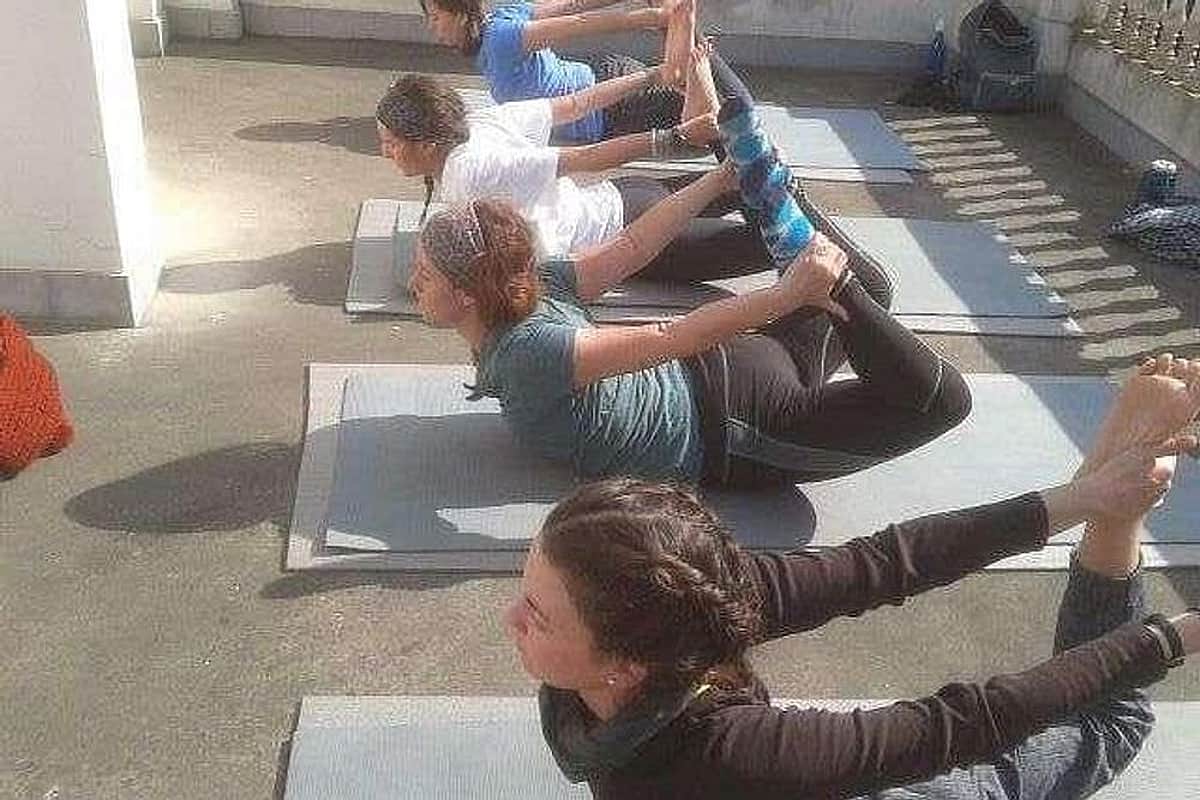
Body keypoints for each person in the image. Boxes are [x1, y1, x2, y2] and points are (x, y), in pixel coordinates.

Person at [505, 354, 1200, 799]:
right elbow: (958, 725)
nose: (511, 619)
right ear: (623, 668)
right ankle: (1118, 516)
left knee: (1104, 711)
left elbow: (884, 563)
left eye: (533, 606)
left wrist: (1078, 498)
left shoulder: (683, 606)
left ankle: (1111, 505)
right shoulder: (733, 756)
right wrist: (1177, 636)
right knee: (1113, 718)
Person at [375, 36, 734, 258]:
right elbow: (576, 103)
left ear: (427, 144)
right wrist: (654, 75)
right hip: (623, 196)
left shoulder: (468, 172)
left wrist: (677, 137)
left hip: (627, 233)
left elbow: (585, 158)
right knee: (747, 183)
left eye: (391, 142)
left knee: (758, 241)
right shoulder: (477, 123)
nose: (385, 153)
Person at [420, 0, 704, 143]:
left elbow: (578, 23)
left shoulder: (500, 40)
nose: (431, 28)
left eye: (435, 17)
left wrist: (657, 16)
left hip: (615, 105)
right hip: (607, 82)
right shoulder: (500, 18)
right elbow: (571, 5)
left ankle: (685, 22)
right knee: (699, 100)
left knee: (705, 111)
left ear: (460, 13)